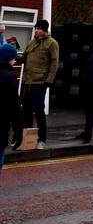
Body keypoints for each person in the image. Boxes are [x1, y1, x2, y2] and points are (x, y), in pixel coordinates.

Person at [21, 19, 60, 149]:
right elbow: (24, 58)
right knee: (26, 111)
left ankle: (42, 139)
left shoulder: (51, 43)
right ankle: (27, 139)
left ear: (44, 30)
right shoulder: (32, 42)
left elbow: (54, 63)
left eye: (39, 28)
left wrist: (48, 81)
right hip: (27, 82)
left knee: (39, 111)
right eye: (36, 28)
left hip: (40, 83)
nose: (36, 30)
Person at [0, 43, 23, 176]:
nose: (15, 61)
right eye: (14, 58)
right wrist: (18, 130)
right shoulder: (9, 77)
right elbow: (14, 106)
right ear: (9, 59)